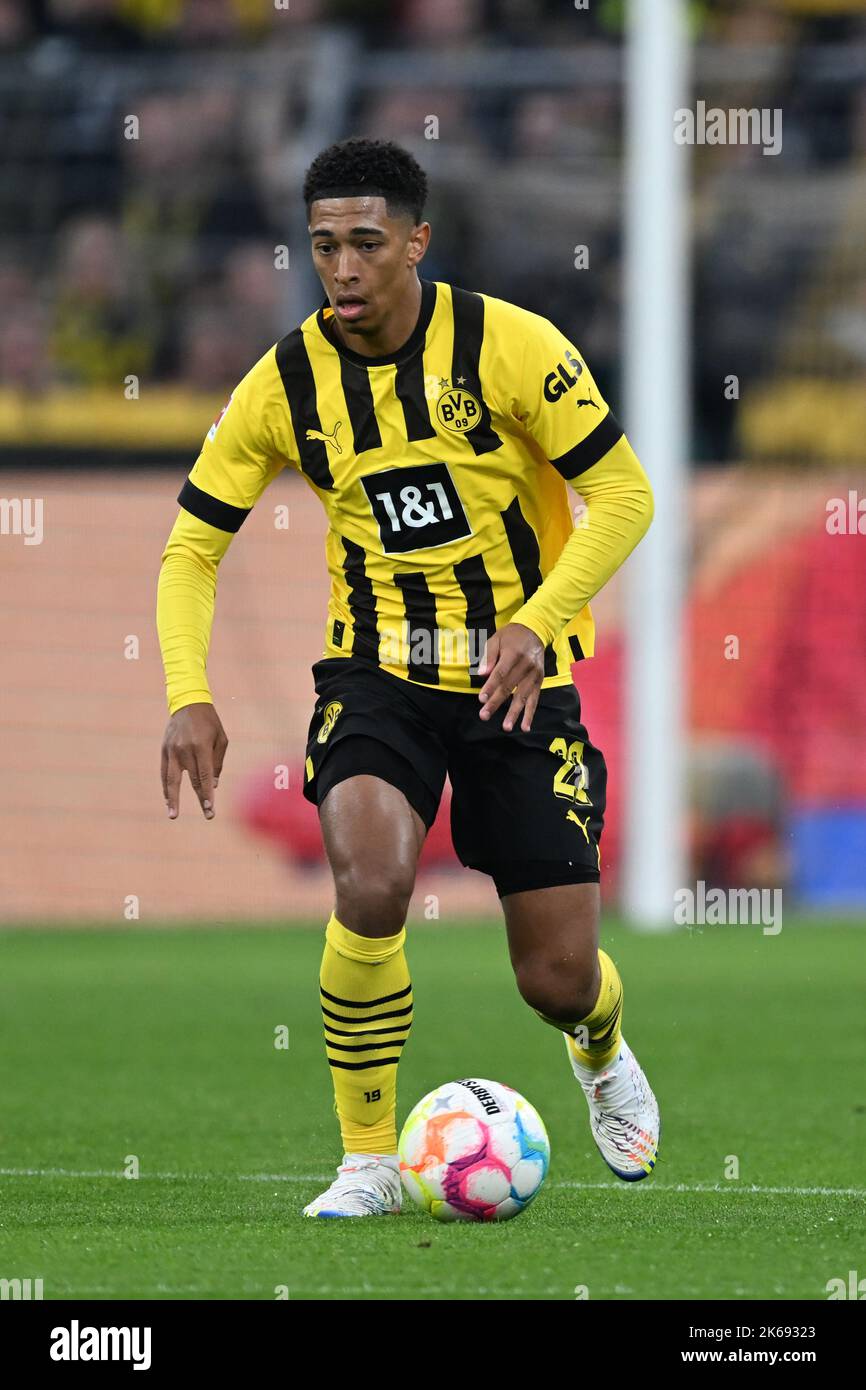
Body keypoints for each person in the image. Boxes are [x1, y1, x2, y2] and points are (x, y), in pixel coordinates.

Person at [157, 137, 660, 1218]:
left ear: (415, 244)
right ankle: (369, 1158)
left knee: (554, 975)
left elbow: (621, 495)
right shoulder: (285, 380)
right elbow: (192, 545)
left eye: (365, 245)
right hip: (373, 676)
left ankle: (598, 1043)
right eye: (324, 246)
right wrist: (185, 690)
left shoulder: (510, 347)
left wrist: (534, 619)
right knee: (372, 882)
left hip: (517, 684)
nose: (341, 268)